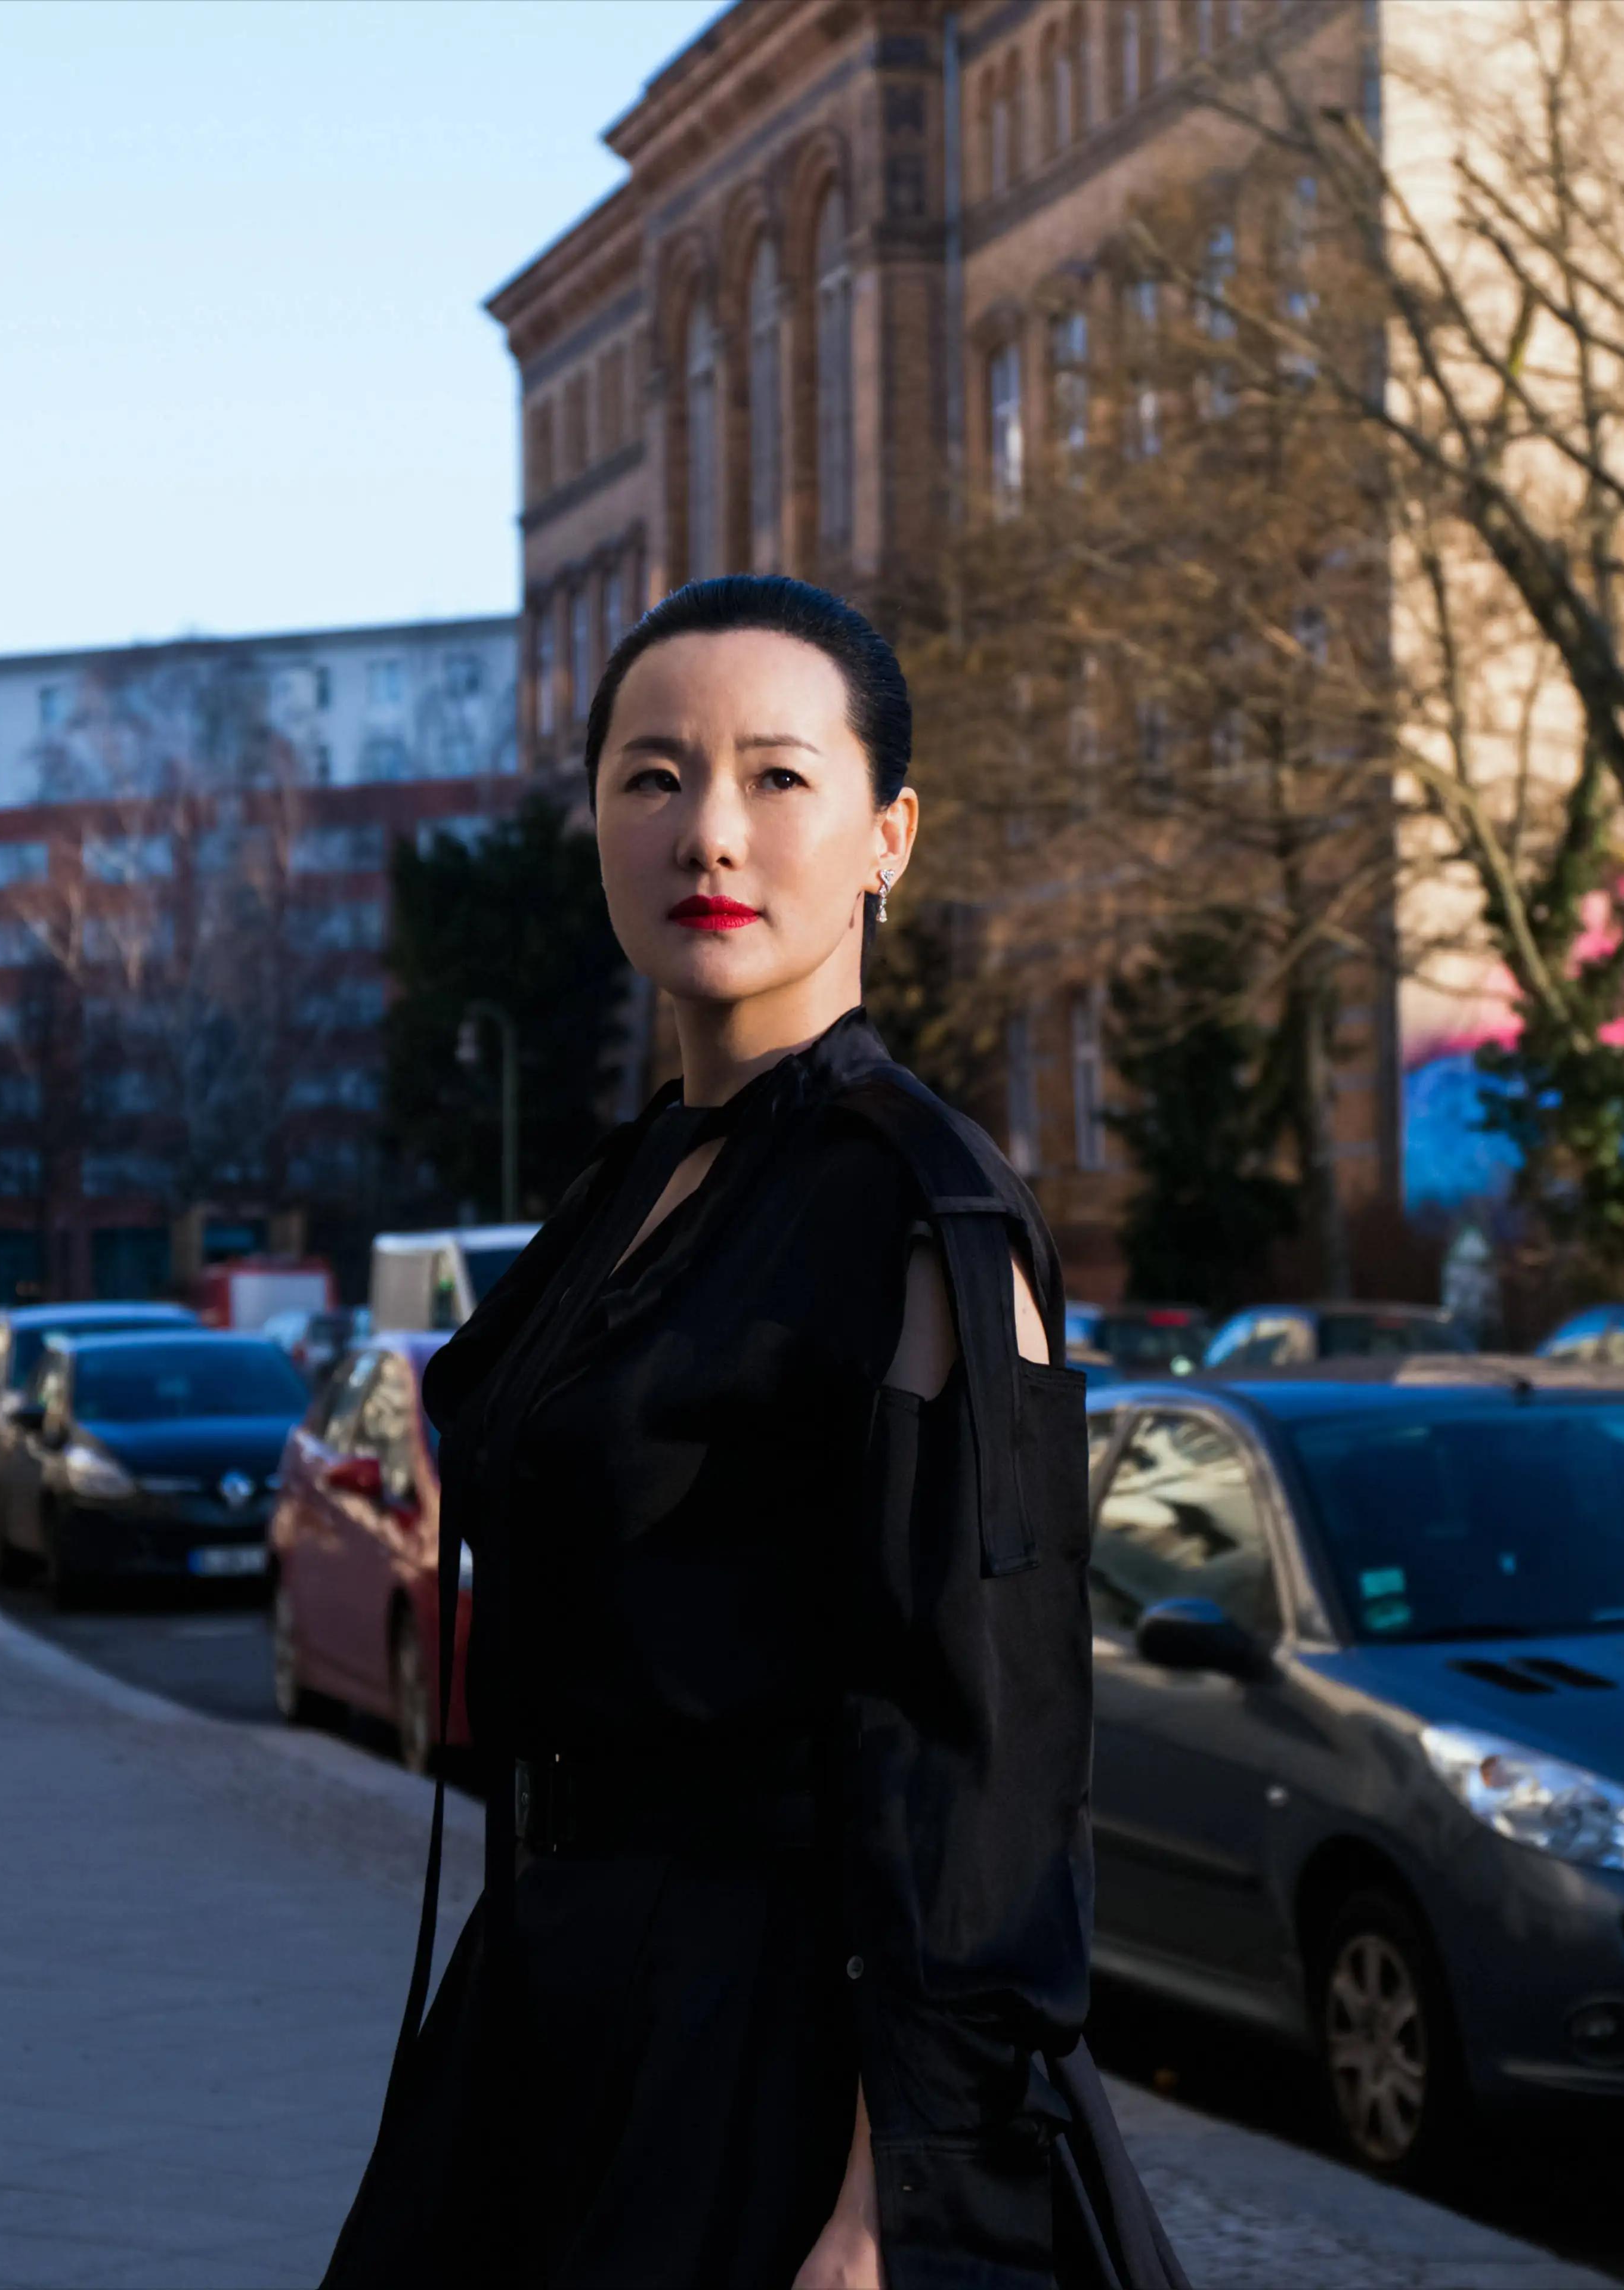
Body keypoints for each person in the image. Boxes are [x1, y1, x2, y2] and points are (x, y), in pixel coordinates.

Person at [326, 578, 1177, 2290]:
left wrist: (886, 2215)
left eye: (778, 779)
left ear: (888, 835)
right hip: (548, 2003)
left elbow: (983, 1768)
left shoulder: (921, 1213)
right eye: (652, 778)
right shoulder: (637, 1179)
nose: (708, 830)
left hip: (770, 2054)